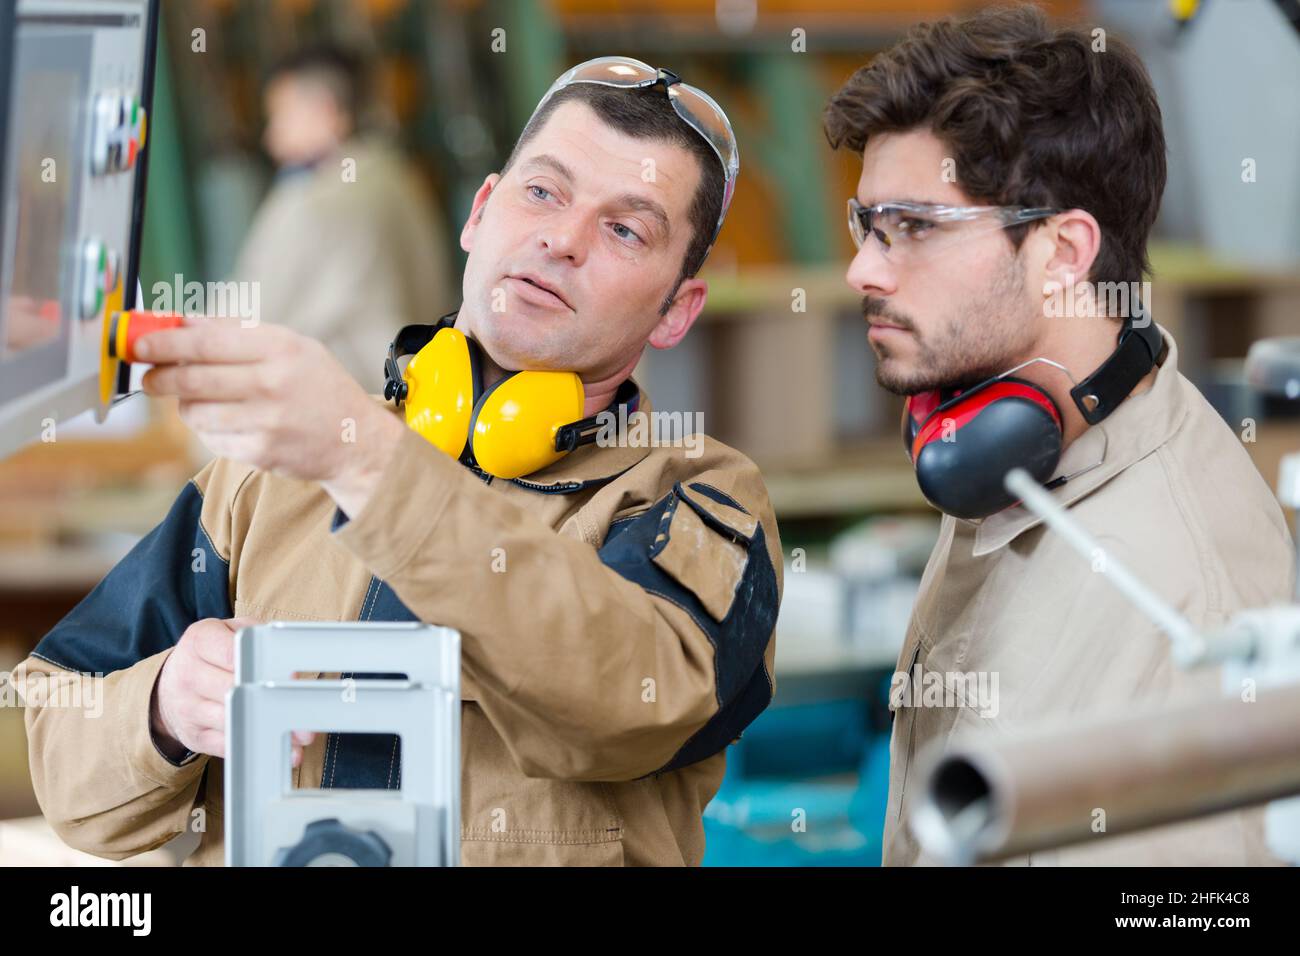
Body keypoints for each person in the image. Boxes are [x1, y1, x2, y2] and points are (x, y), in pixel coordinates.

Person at [14, 57, 781, 867]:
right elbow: (65, 765)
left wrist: (372, 463)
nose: (563, 239)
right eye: (543, 192)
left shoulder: (700, 499)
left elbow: (630, 703)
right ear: (481, 214)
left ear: (676, 311)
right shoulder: (266, 476)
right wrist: (164, 707)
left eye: (626, 229)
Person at [823, 4, 1293, 864]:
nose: (864, 268)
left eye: (915, 227)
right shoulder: (1012, 447)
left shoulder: (1184, 596)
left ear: (1064, 251)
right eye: (867, 223)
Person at [232, 43, 451, 392]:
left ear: (325, 111)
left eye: (279, 117)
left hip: (350, 406)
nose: (270, 138)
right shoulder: (401, 177)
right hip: (420, 396)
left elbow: (250, 317)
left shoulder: (312, 201)